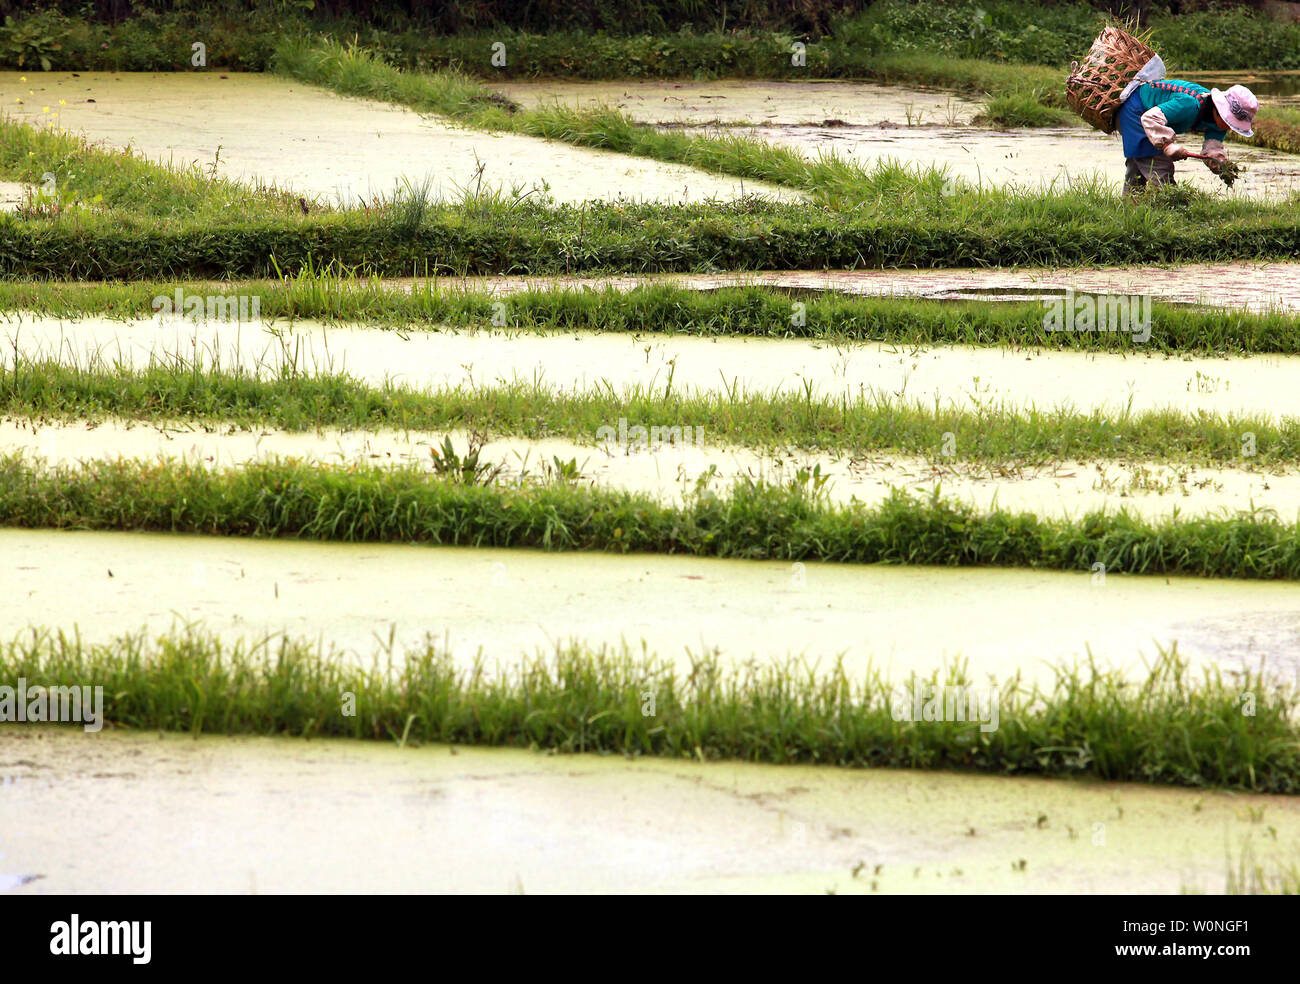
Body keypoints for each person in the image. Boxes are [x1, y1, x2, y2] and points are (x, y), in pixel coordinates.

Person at [1116, 80, 1258, 193]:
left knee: (1139, 165)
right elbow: (1149, 118)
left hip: (1148, 116)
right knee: (1159, 166)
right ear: (1220, 110)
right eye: (1230, 122)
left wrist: (1220, 164)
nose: (1230, 128)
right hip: (1137, 110)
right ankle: (1168, 208)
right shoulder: (1189, 104)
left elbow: (1212, 148)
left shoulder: (1218, 123)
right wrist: (1167, 146)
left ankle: (1130, 206)